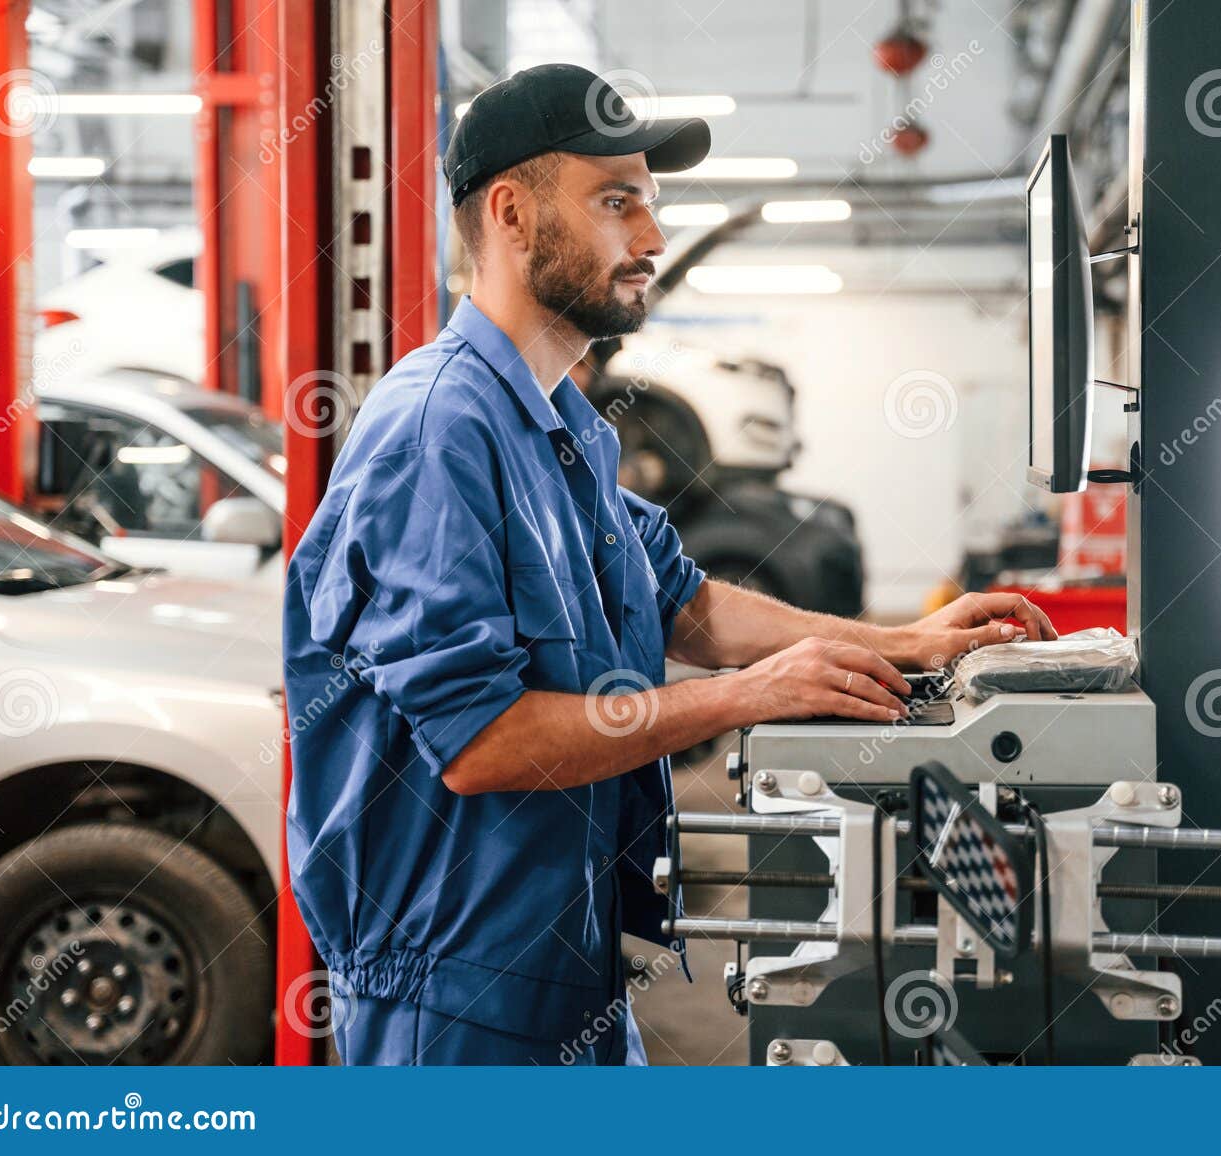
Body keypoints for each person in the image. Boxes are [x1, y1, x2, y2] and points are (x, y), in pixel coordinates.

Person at [282, 63, 1055, 1066]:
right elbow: (481, 743)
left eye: (651, 205)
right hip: (454, 998)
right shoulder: (437, 430)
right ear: (511, 214)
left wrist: (904, 642)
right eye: (616, 203)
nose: (650, 238)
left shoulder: (566, 428)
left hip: (572, 963)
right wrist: (742, 697)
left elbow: (686, 604)